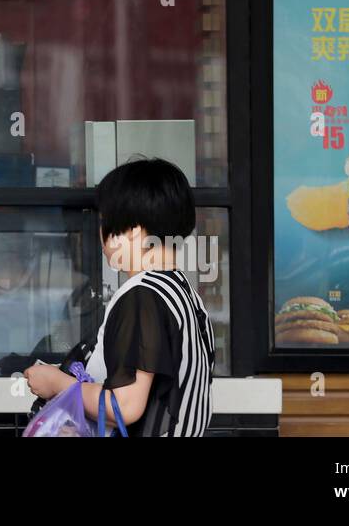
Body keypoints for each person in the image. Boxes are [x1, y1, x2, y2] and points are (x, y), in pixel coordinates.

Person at [25, 158, 215, 437]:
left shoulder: (143, 296)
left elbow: (125, 406)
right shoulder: (186, 296)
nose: (101, 234)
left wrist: (57, 383)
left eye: (106, 221)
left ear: (134, 230)